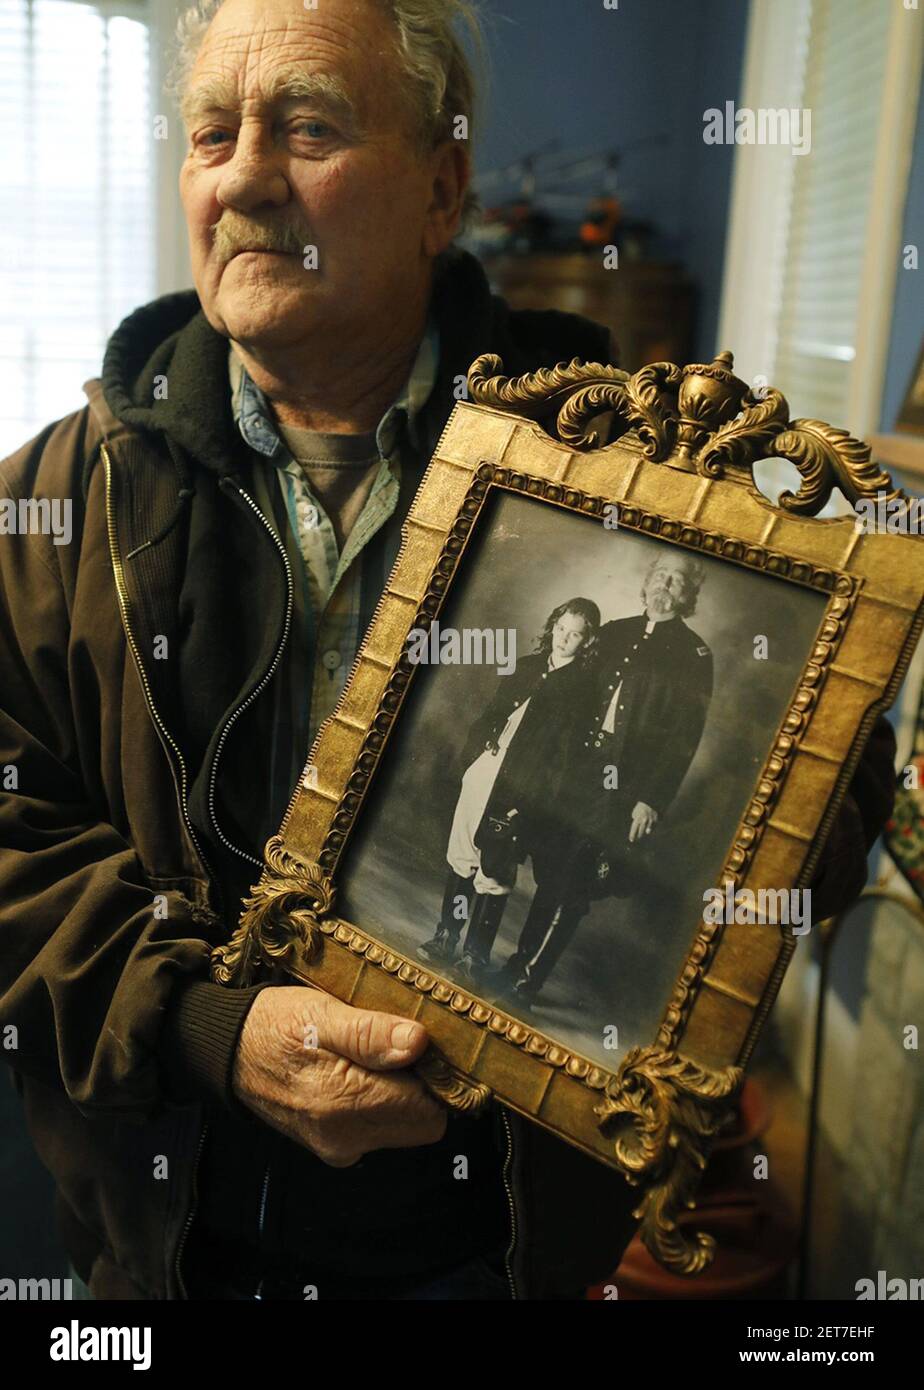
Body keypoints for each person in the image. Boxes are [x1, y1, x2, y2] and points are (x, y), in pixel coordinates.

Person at [0, 0, 897, 1302]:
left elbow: (803, 862)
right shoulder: (57, 505)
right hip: (168, 1237)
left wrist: (808, 765)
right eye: (210, 132)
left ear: (444, 183)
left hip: (502, 1246)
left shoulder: (629, 478)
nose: (244, 173)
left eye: (309, 124)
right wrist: (209, 1021)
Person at [500, 554, 711, 1005]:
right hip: (575, 768)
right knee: (553, 869)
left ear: (689, 593)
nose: (666, 585)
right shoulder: (615, 631)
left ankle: (529, 979)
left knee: (576, 879)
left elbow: (683, 739)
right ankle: (519, 962)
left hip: (625, 785)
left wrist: (650, 800)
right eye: (660, 575)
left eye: (677, 580)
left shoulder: (694, 656)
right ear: (648, 580)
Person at [419, 598, 600, 984]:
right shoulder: (529, 665)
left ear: (586, 641)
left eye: (575, 634)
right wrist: (476, 755)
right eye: (562, 628)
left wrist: (531, 804)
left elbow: (563, 761)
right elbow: (491, 713)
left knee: (495, 868)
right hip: (484, 774)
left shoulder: (582, 690)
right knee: (462, 855)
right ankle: (446, 936)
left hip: (520, 790)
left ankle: (475, 956)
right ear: (553, 625)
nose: (564, 638)